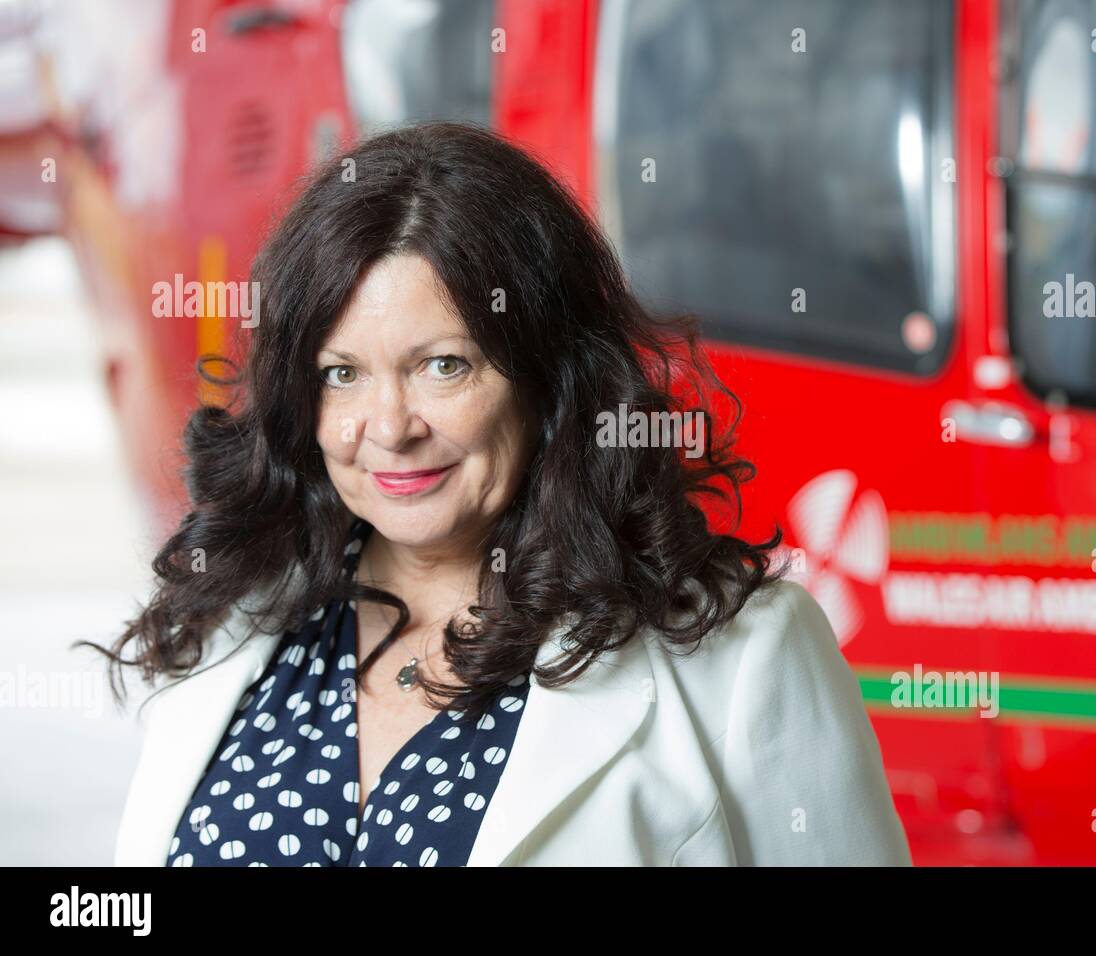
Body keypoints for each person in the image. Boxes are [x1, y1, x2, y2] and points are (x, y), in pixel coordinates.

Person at [95, 122, 911, 866]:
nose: (389, 426)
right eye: (342, 375)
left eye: (442, 366)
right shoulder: (237, 619)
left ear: (549, 377)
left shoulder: (745, 660)